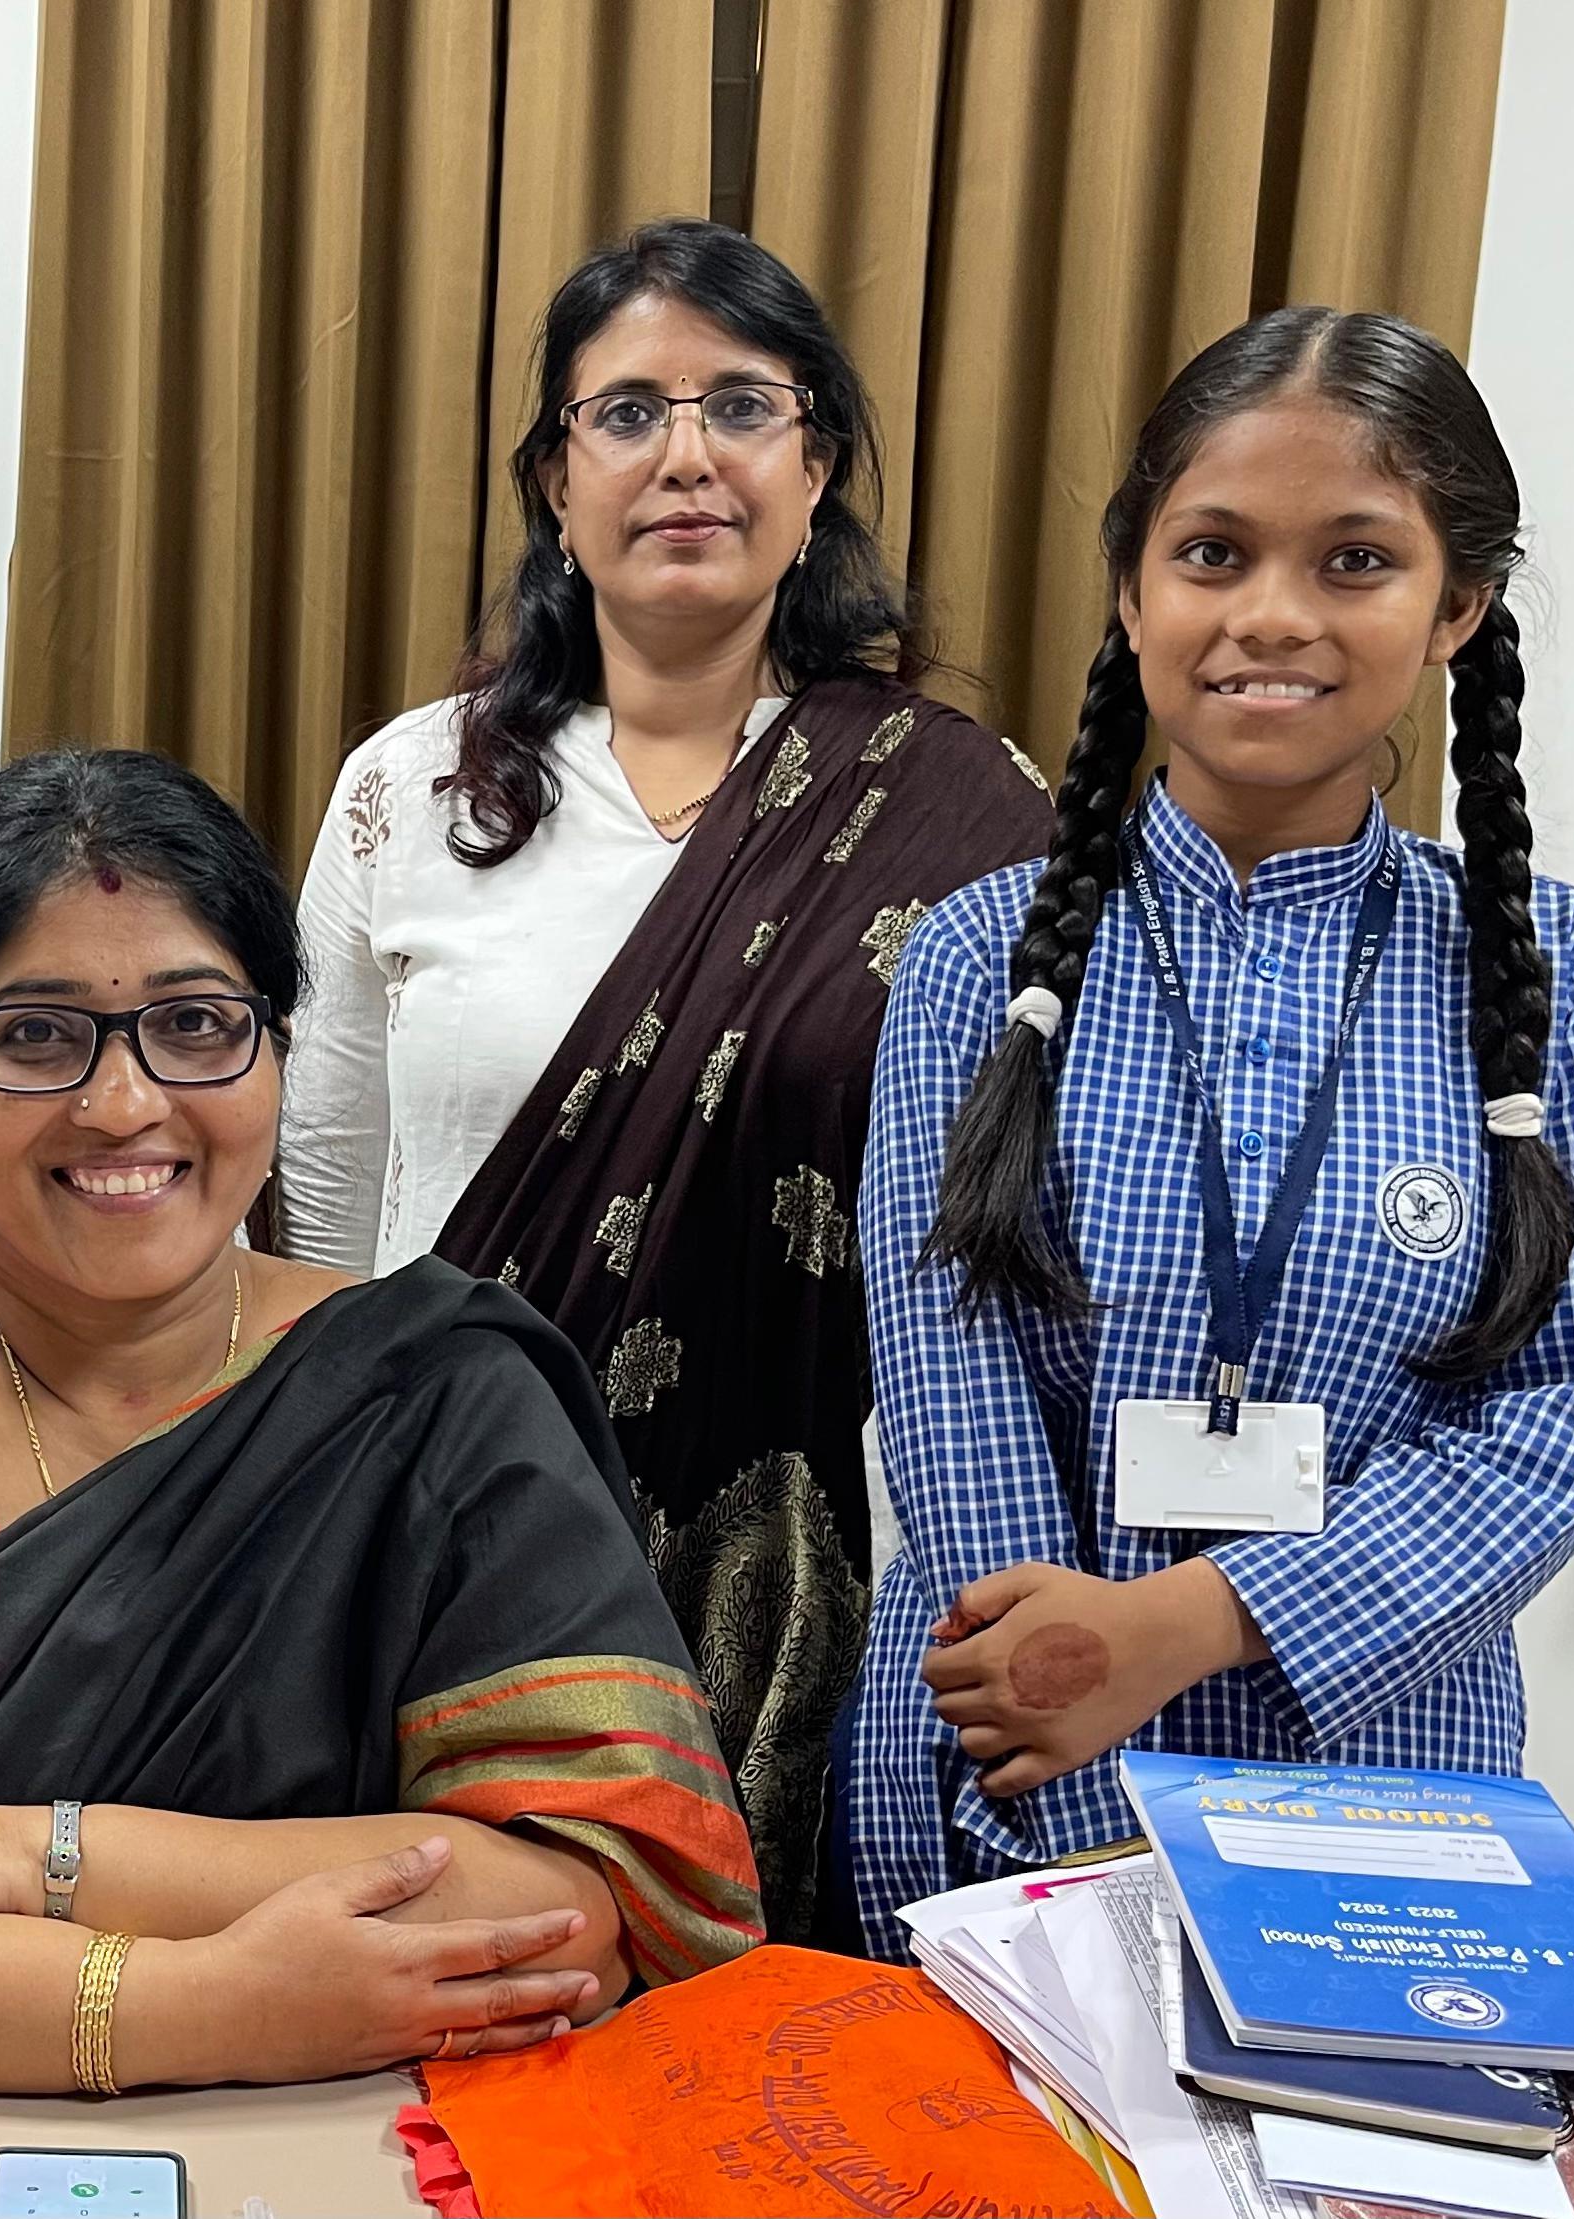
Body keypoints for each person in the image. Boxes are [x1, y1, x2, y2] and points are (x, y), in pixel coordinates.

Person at [0, 749, 761, 2094]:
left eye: (194, 1025)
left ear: (277, 1053)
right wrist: (203, 2006)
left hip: (365, 2141)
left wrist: (16, 1855)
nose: (123, 1104)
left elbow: (577, 1911)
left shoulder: (440, 1391)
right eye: (34, 1036)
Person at [842, 309, 1574, 1957]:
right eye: (1211, 553)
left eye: (1355, 560)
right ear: (1130, 587)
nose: (1270, 615)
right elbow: (946, 1369)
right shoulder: (972, 959)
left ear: (1457, 606)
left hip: (1385, 1782)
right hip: (1000, 1753)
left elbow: (1570, 1402)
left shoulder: (1562, 975)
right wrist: (1065, 1710)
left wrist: (1195, 1622)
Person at [277, 219, 1051, 1931]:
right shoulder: (410, 788)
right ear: (555, 484)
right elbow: (323, 1183)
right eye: (626, 412)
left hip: (802, 1576)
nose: (684, 456)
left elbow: (992, 1234)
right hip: (437, 1525)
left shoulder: (959, 809)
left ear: (814, 468)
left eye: (741, 407)